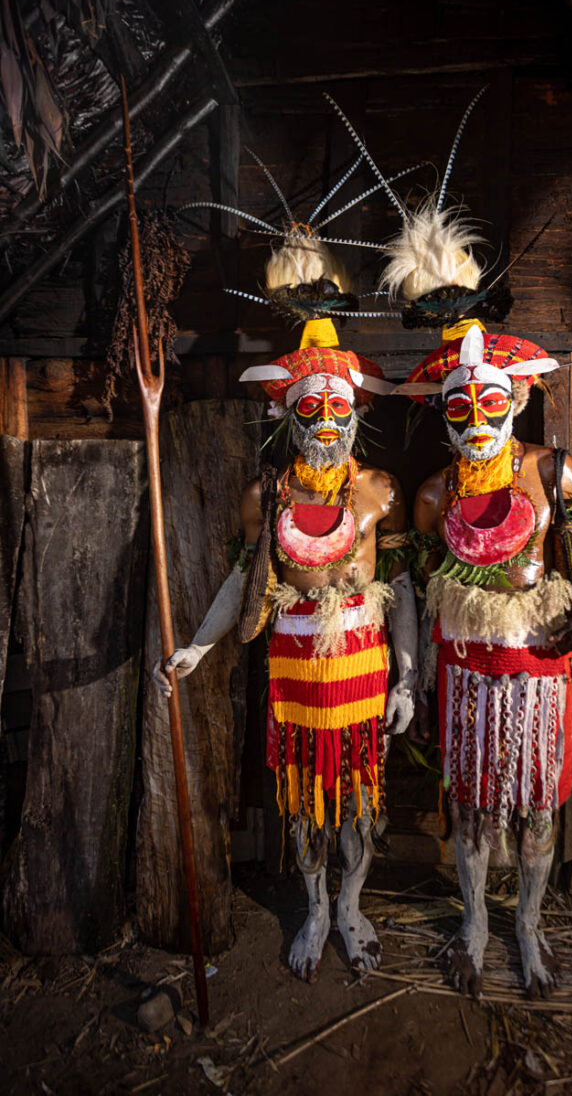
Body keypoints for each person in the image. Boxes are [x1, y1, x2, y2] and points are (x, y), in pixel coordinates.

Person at [153, 315, 417, 982]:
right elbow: (242, 581)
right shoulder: (264, 498)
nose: (325, 422)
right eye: (310, 408)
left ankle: (350, 909)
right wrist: (198, 648)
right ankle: (316, 910)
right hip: (295, 674)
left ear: (356, 411)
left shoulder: (380, 491)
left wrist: (408, 680)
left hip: (363, 670)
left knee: (358, 805)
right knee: (302, 806)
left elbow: (401, 589)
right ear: (286, 414)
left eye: (337, 408)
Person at [404, 321, 572, 999]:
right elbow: (419, 593)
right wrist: (416, 682)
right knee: (470, 809)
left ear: (518, 400)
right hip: (467, 675)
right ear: (443, 411)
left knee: (538, 812)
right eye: (460, 406)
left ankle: (527, 926)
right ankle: (474, 925)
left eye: (491, 403)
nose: (477, 421)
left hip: (540, 669)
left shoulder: (554, 471)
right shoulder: (434, 496)